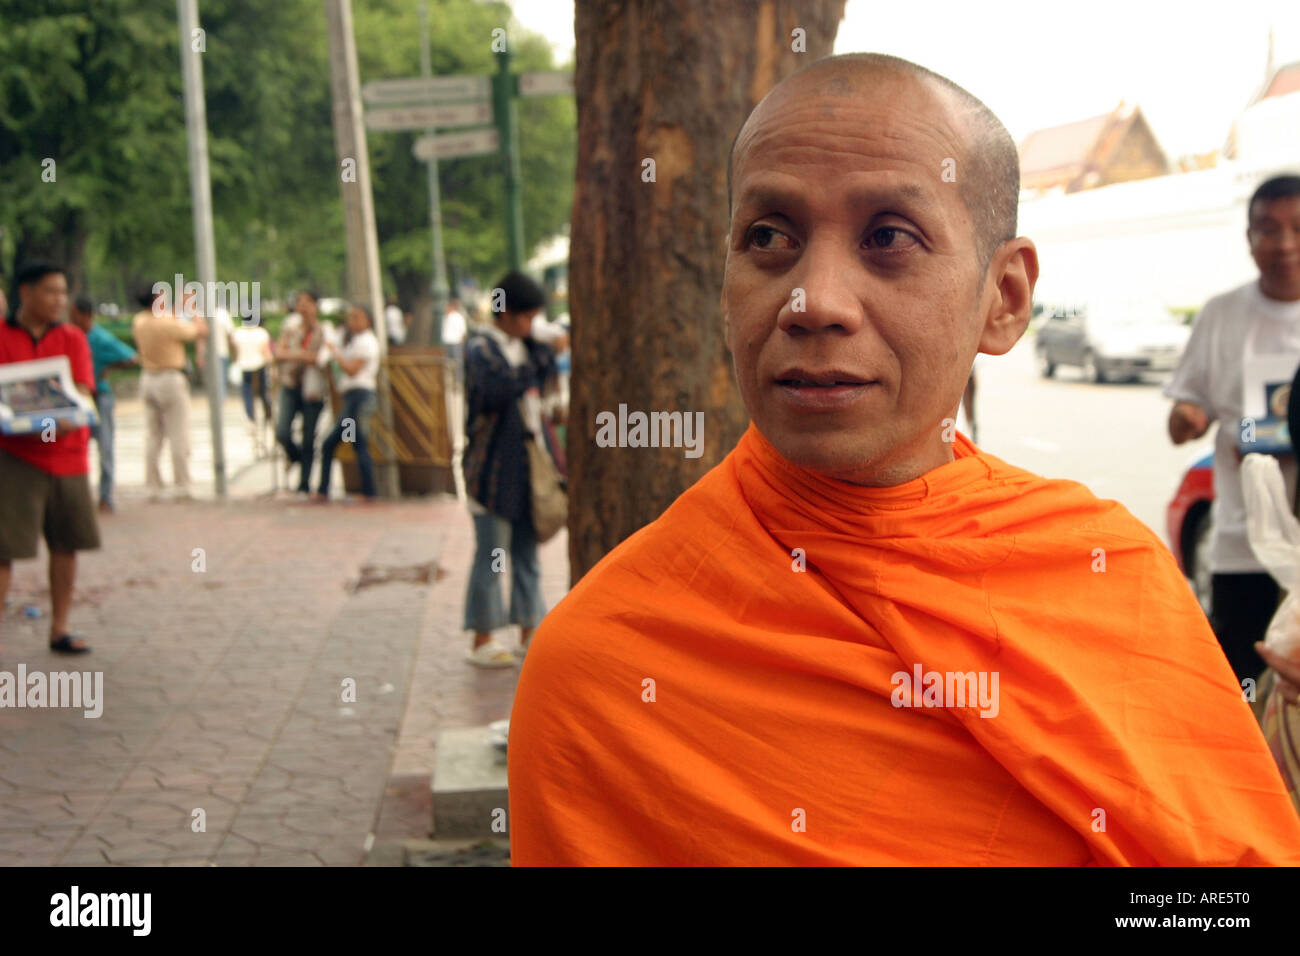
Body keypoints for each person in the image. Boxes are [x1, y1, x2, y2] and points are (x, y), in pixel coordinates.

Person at [507, 54, 1300, 866]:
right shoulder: (604, 666)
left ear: (1006, 299)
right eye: (769, 237)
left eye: (889, 237)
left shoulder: (1111, 576)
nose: (814, 302)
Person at [1166, 174, 1300, 683]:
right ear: (1249, 238)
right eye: (1268, 229)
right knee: (1246, 695)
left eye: (1297, 227)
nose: (1284, 243)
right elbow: (1182, 420)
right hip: (1242, 548)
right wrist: (1188, 417)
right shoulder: (1222, 316)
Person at [0, 264, 100, 654]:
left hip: (67, 454)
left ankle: (60, 627)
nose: (60, 300)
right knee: (4, 548)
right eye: (50, 292)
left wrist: (66, 418)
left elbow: (83, 388)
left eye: (63, 292)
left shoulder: (73, 337)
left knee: (66, 543)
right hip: (14, 457)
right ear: (25, 293)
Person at [461, 271, 558, 667]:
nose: (529, 325)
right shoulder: (481, 348)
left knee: (525, 551)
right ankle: (482, 637)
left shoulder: (529, 347)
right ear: (504, 313)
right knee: (491, 554)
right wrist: (539, 357)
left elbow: (545, 372)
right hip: (490, 472)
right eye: (525, 317)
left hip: (525, 469)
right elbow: (500, 387)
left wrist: (540, 351)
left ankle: (530, 628)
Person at [132, 285, 206, 501]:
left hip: (147, 378)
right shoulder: (166, 324)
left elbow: (167, 317)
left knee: (153, 436)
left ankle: (153, 487)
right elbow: (199, 331)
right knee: (178, 435)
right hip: (170, 379)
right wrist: (192, 309)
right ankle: (182, 486)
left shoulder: (140, 320)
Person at [69, 297, 137, 513]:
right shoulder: (73, 336)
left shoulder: (99, 338)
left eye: (74, 315)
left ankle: (105, 496)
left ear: (84, 315)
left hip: (100, 397)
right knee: (77, 446)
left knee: (105, 447)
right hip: (80, 397)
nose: (70, 319)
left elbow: (131, 357)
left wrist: (109, 368)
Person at [316, 303, 380, 501]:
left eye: (356, 317)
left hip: (360, 398)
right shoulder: (353, 340)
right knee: (347, 442)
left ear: (367, 320)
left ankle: (368, 491)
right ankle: (326, 490)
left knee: (355, 442)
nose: (352, 321)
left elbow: (352, 369)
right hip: (351, 398)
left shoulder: (367, 341)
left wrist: (335, 353)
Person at [273, 290, 332, 495]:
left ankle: (304, 483)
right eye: (300, 302)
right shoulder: (290, 328)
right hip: (290, 384)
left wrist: (298, 356)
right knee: (282, 431)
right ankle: (295, 456)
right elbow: (278, 352)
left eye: (308, 301)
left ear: (316, 305)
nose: (304, 306)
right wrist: (303, 355)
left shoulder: (324, 330)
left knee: (309, 436)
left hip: (313, 389)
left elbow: (324, 357)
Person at [230, 318, 273, 440]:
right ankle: (268, 416)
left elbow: (235, 350)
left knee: (247, 395)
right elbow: (266, 352)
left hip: (245, 366)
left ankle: (251, 418)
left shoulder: (238, 333)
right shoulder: (261, 333)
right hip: (259, 366)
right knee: (264, 393)